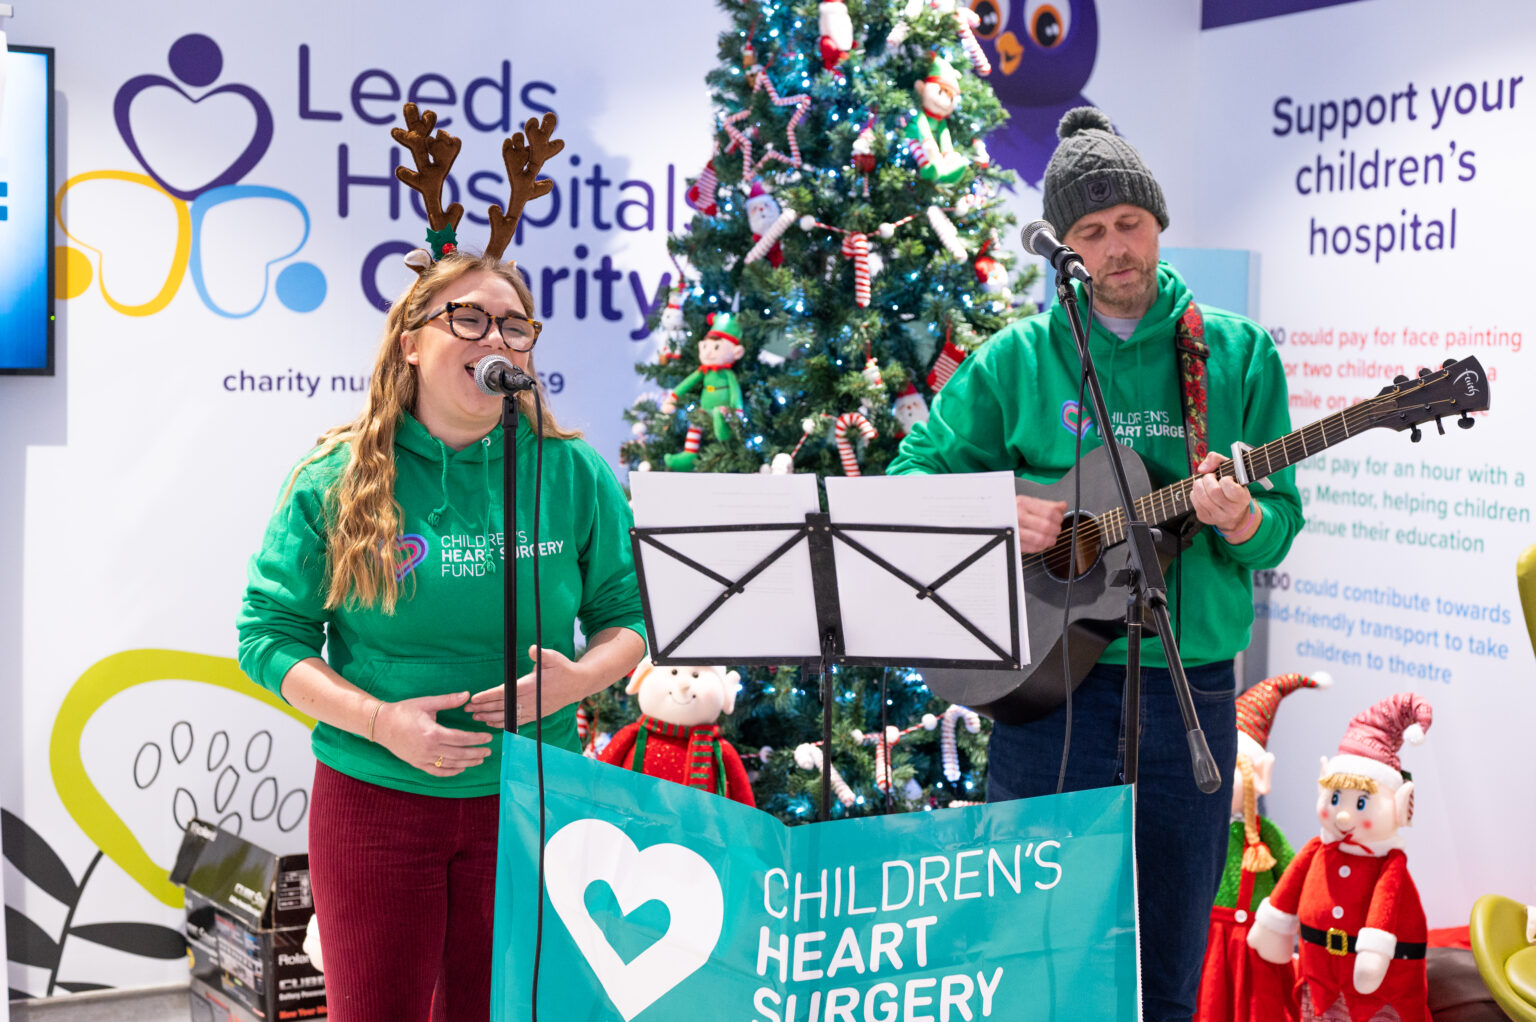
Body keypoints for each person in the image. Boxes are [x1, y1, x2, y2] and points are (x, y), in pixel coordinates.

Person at [888, 107, 1304, 1021]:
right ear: (1064, 250)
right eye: (1091, 232)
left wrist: (1240, 519)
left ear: (1157, 223)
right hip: (1048, 693)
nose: (1117, 248)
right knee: (1032, 959)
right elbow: (908, 482)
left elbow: (1281, 528)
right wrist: (1000, 510)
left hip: (1188, 692)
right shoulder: (1017, 360)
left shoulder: (1235, 354)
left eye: (1130, 222)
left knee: (1167, 964)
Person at [236, 252, 647, 1022]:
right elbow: (270, 637)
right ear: (411, 344)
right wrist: (380, 721)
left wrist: (579, 680)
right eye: (468, 317)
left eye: (514, 325)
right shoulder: (335, 476)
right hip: (377, 800)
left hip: (532, 796)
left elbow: (630, 614)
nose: (495, 337)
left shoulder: (569, 472)